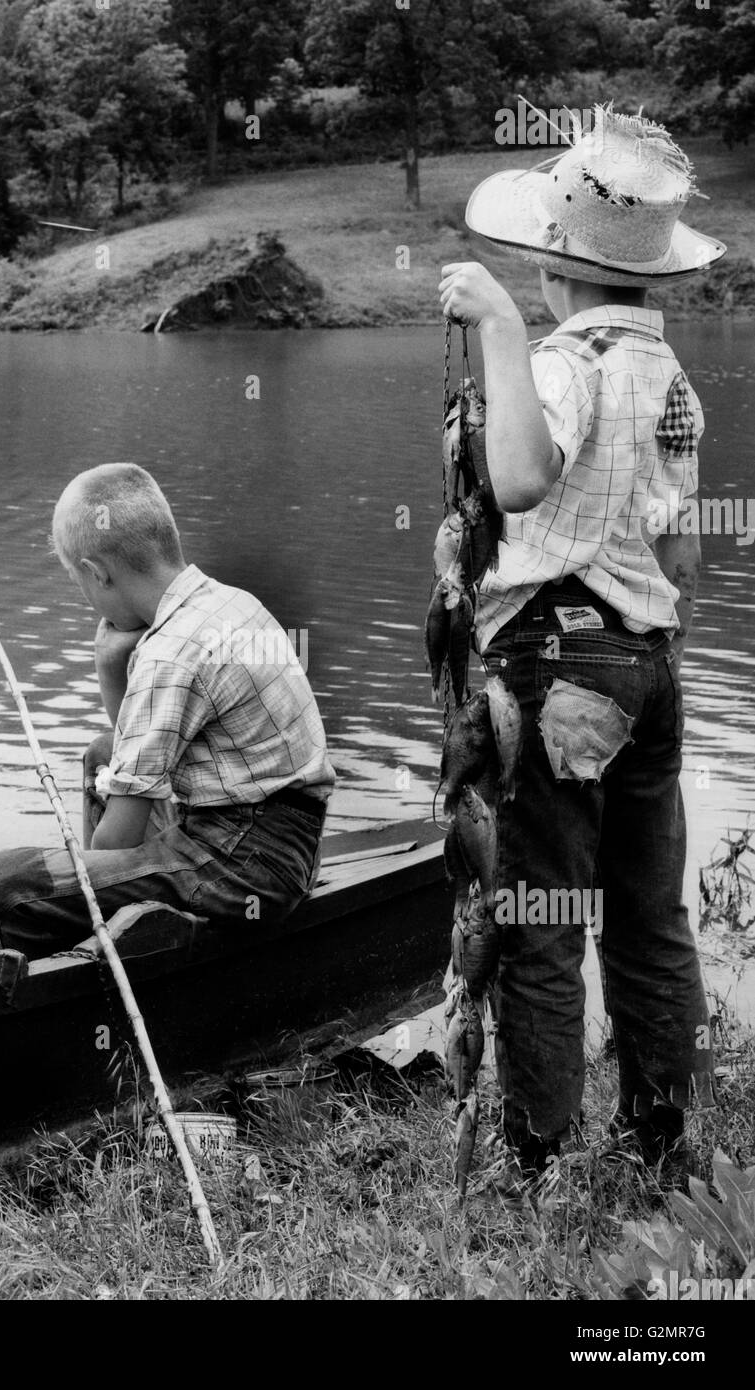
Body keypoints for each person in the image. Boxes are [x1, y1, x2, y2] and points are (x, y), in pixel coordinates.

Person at [438, 105, 726, 1193]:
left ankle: (535, 1159)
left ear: (553, 269)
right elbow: (679, 553)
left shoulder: (557, 359)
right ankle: (658, 1143)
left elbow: (513, 483)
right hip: (647, 666)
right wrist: (648, 656)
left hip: (550, 664)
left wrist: (501, 335)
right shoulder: (675, 384)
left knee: (541, 912)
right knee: (647, 914)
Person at [0, 463, 335, 959]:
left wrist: (79, 882)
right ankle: (107, 913)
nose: (87, 598)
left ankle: (71, 960)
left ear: (97, 573)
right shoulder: (226, 601)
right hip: (281, 837)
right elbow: (134, 752)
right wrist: (109, 664)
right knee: (103, 755)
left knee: (3, 890)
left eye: (80, 582)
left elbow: (114, 842)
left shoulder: (171, 654)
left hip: (244, 865)